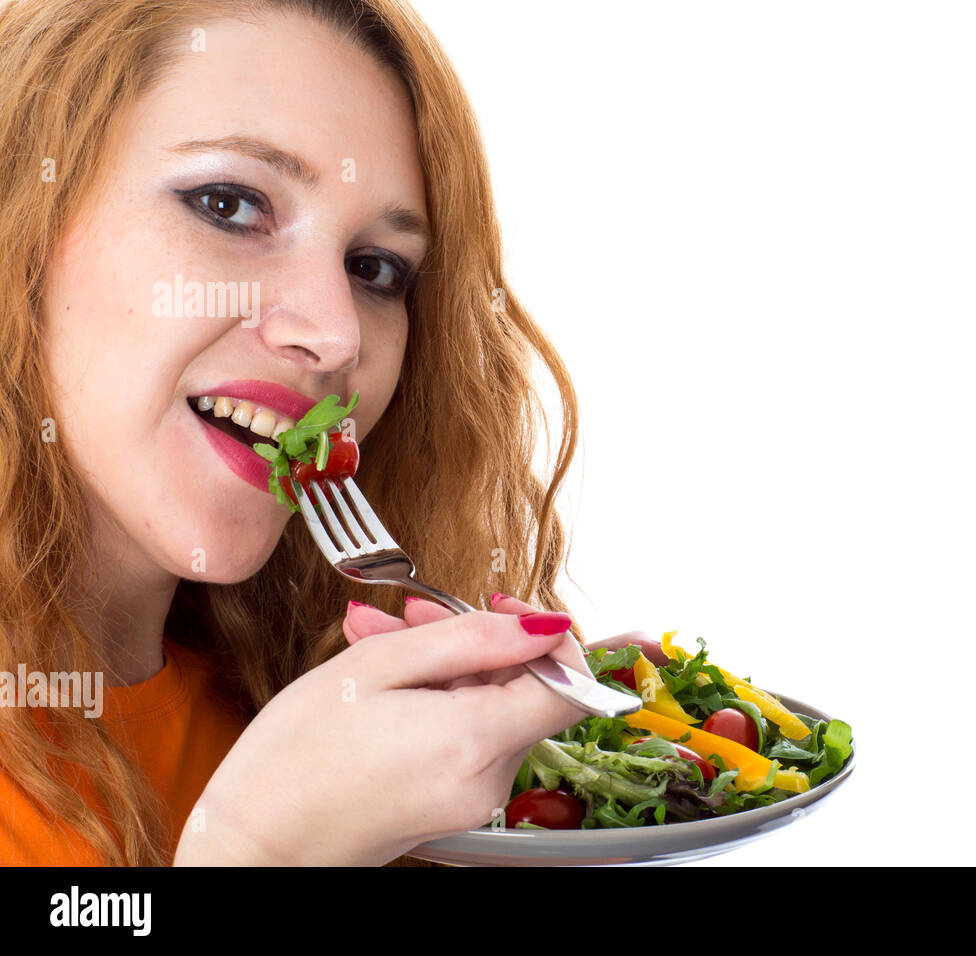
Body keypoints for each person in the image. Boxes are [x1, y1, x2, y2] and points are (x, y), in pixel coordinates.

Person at [0, 0, 656, 866]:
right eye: (228, 204)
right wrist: (258, 852)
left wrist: (560, 776)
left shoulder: (306, 727)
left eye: (375, 268)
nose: (337, 335)